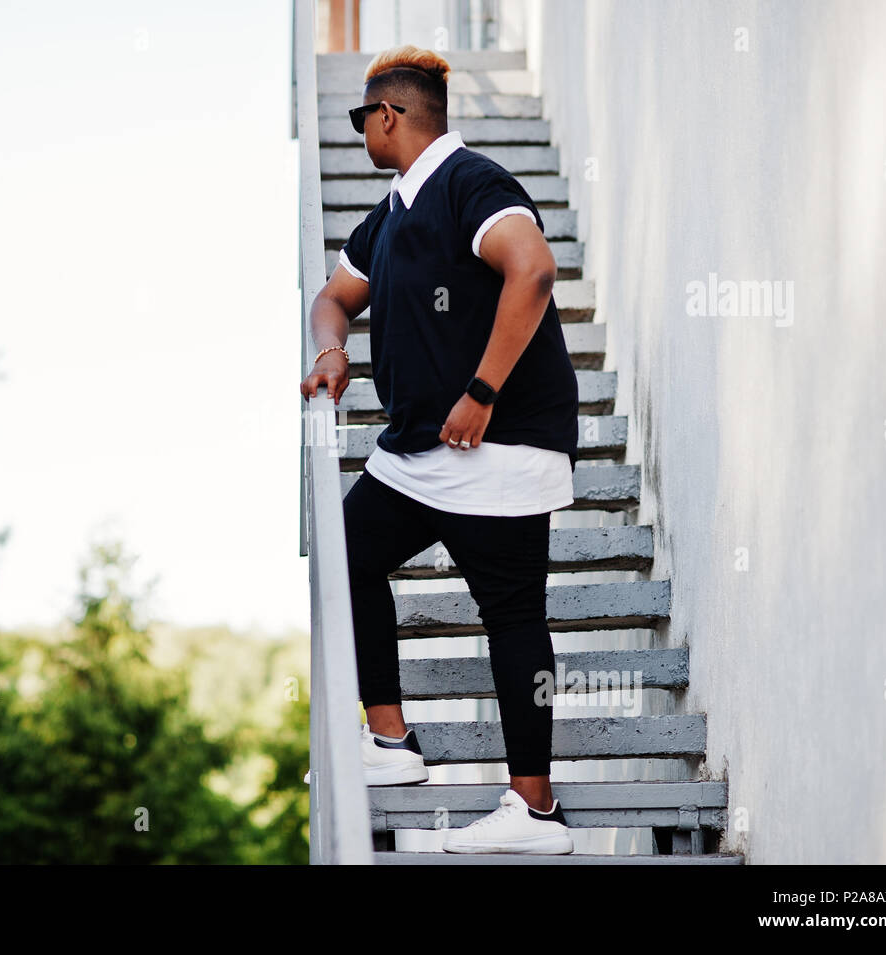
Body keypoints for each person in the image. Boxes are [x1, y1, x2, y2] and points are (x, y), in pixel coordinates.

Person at [299, 45, 578, 854]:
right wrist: (331, 351)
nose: (359, 130)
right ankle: (390, 741)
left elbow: (533, 270)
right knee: (346, 554)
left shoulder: (472, 182)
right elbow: (332, 297)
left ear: (389, 116)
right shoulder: (390, 214)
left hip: (500, 447)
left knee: (513, 617)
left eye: (362, 117)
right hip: (416, 454)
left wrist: (483, 390)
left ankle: (535, 809)